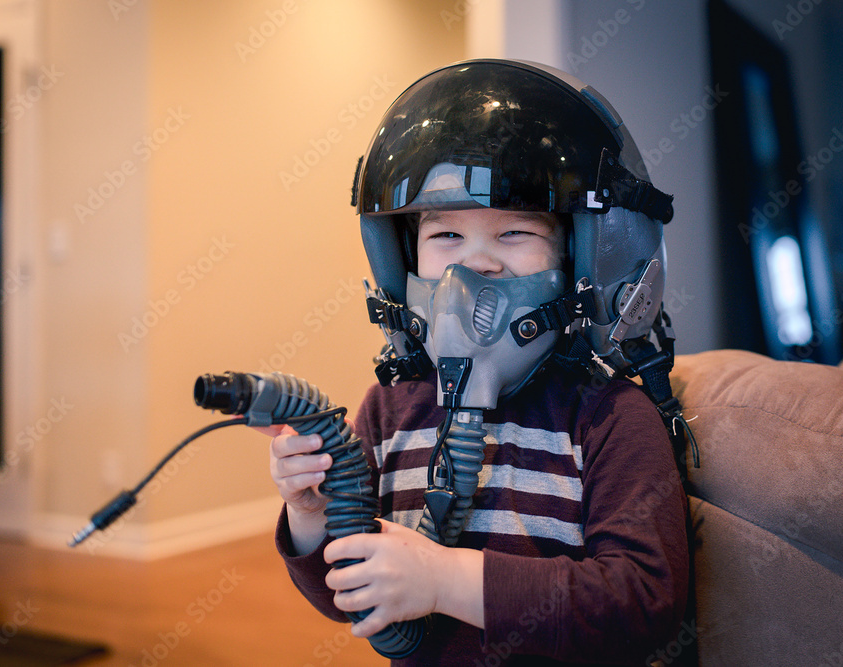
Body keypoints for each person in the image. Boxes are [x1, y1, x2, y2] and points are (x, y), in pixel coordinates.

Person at [265, 59, 690, 665]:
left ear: (582, 261)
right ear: (404, 258)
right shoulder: (388, 409)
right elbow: (351, 596)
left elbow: (644, 604)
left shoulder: (611, 418)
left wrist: (445, 581)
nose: (476, 267)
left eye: (514, 233)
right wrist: (311, 513)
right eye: (447, 237)